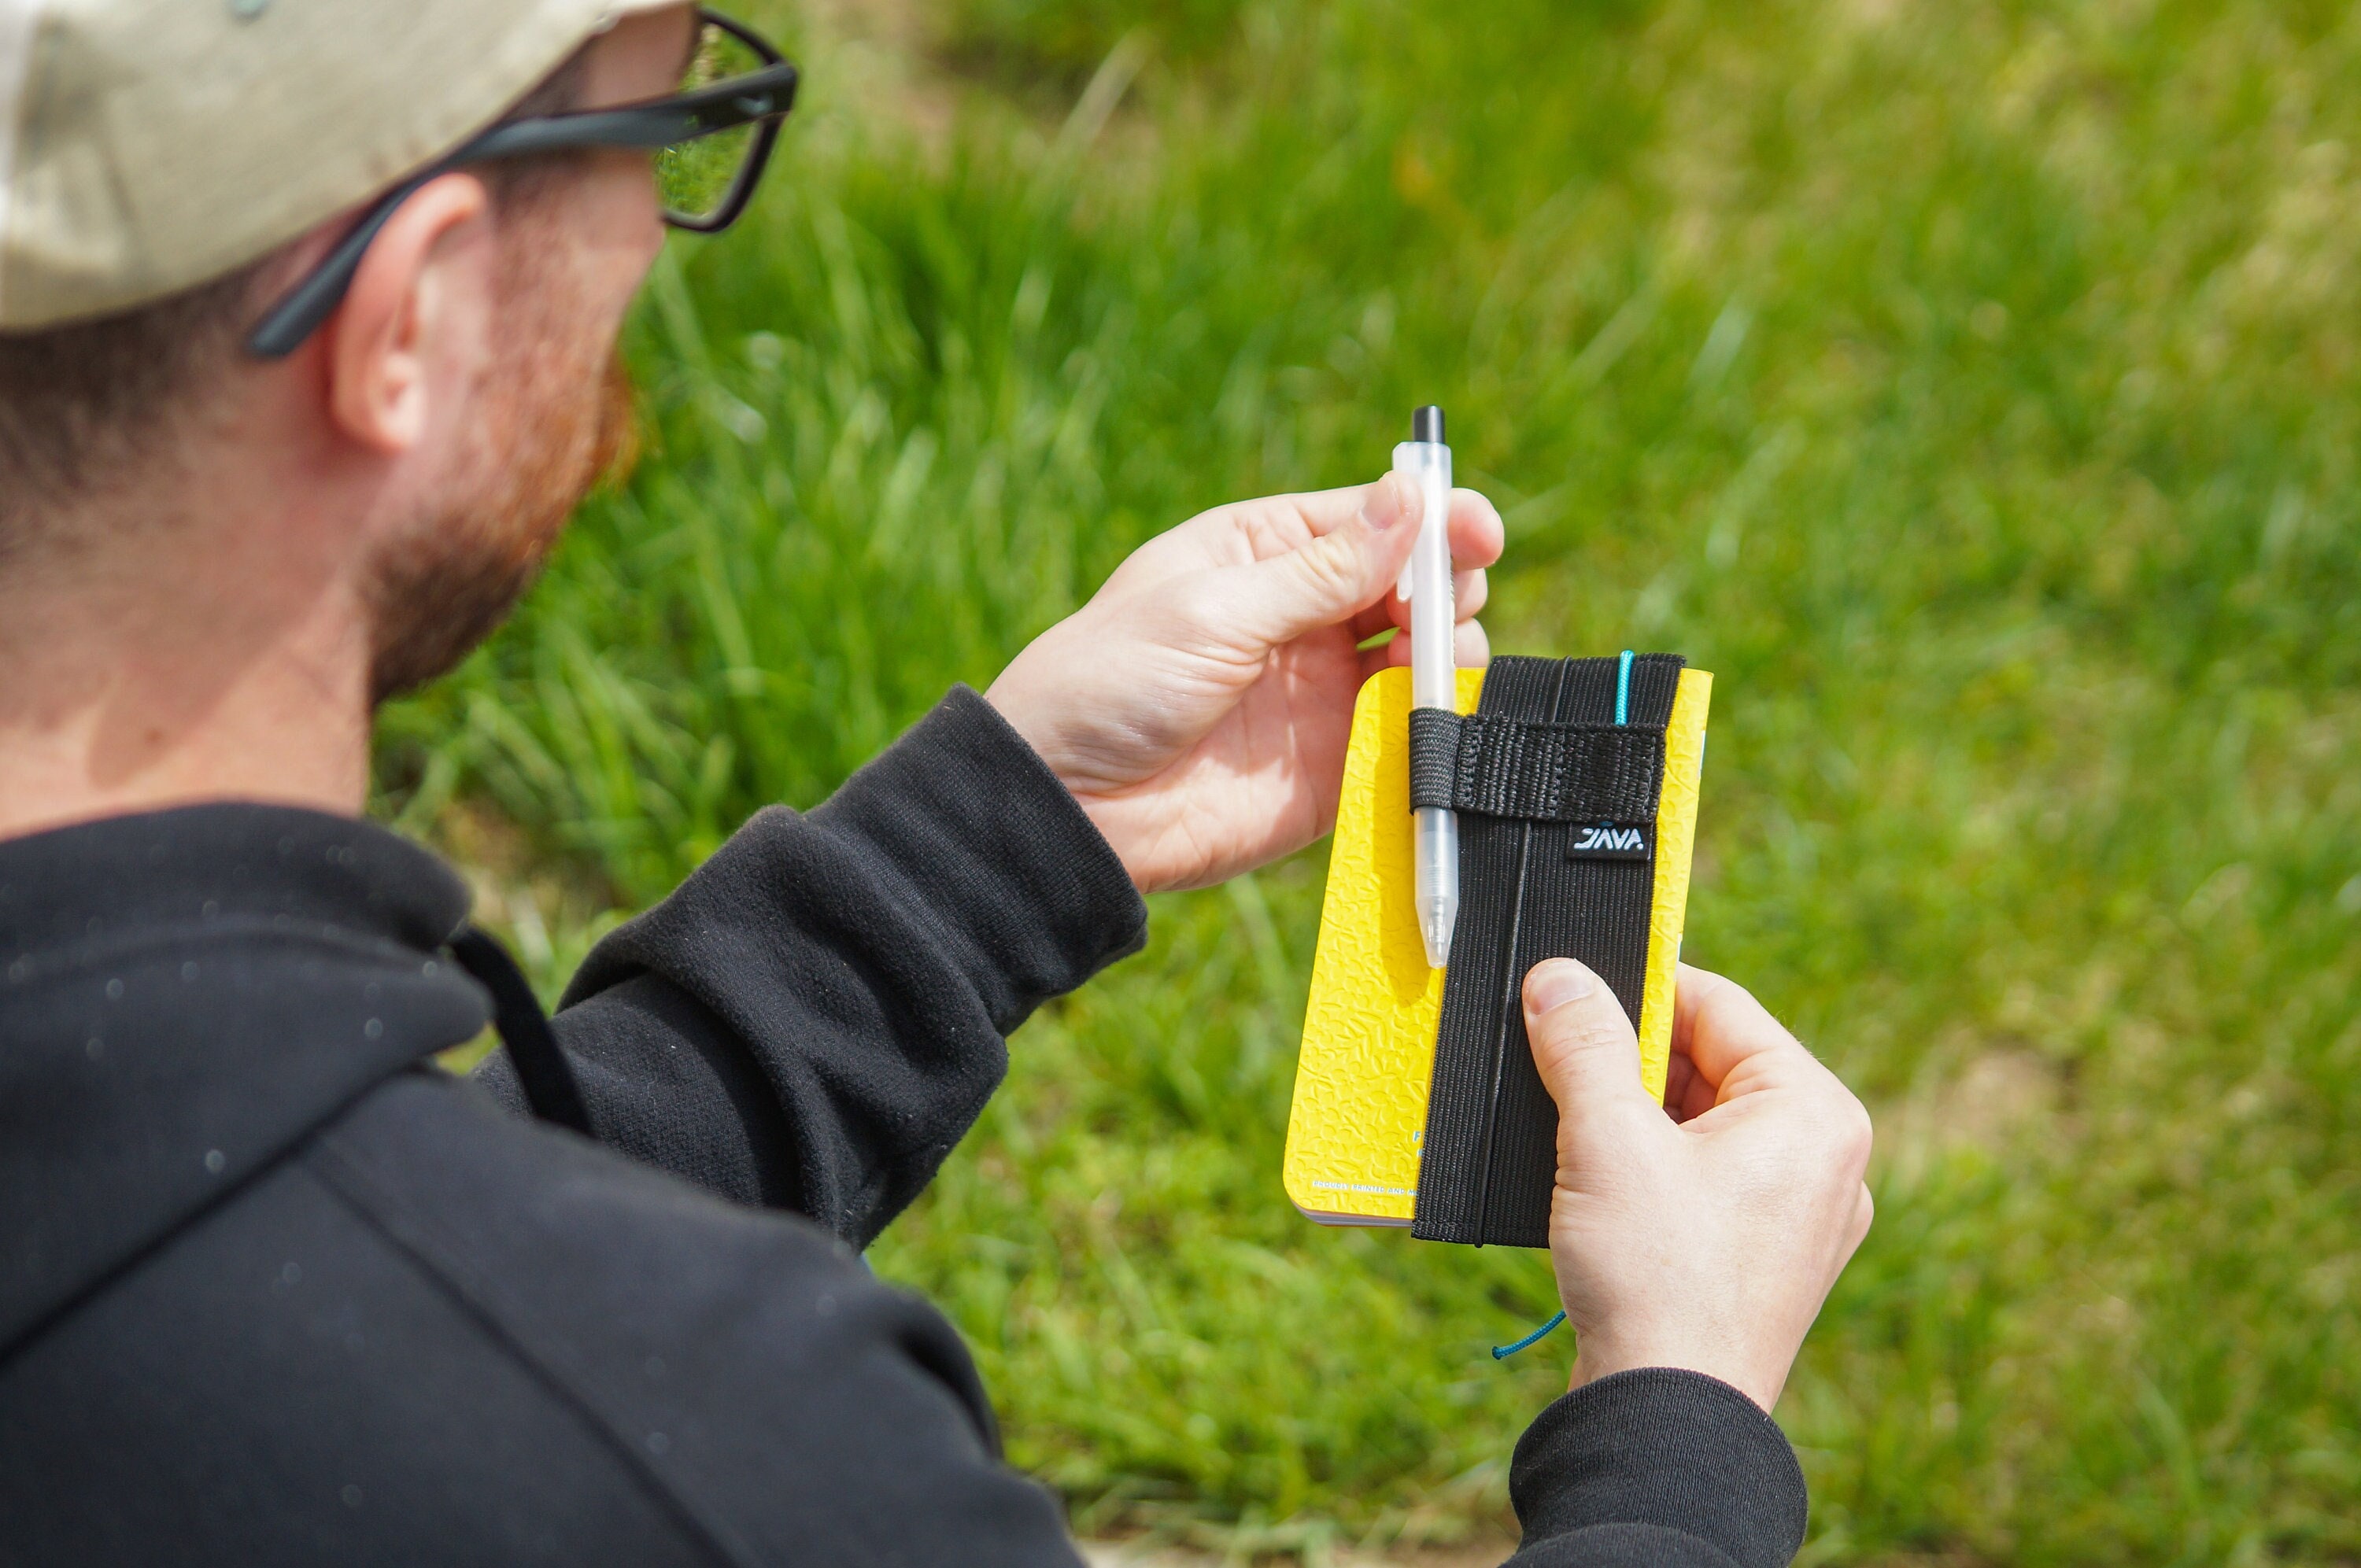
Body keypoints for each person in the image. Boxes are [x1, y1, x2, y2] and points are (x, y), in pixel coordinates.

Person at [0, 2, 1875, 1563]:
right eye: (659, 130)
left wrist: (981, 857)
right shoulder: (742, 1476)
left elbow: (303, 1253)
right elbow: (449, 1327)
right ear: (406, 315)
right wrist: (1678, 1438)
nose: (653, 241)